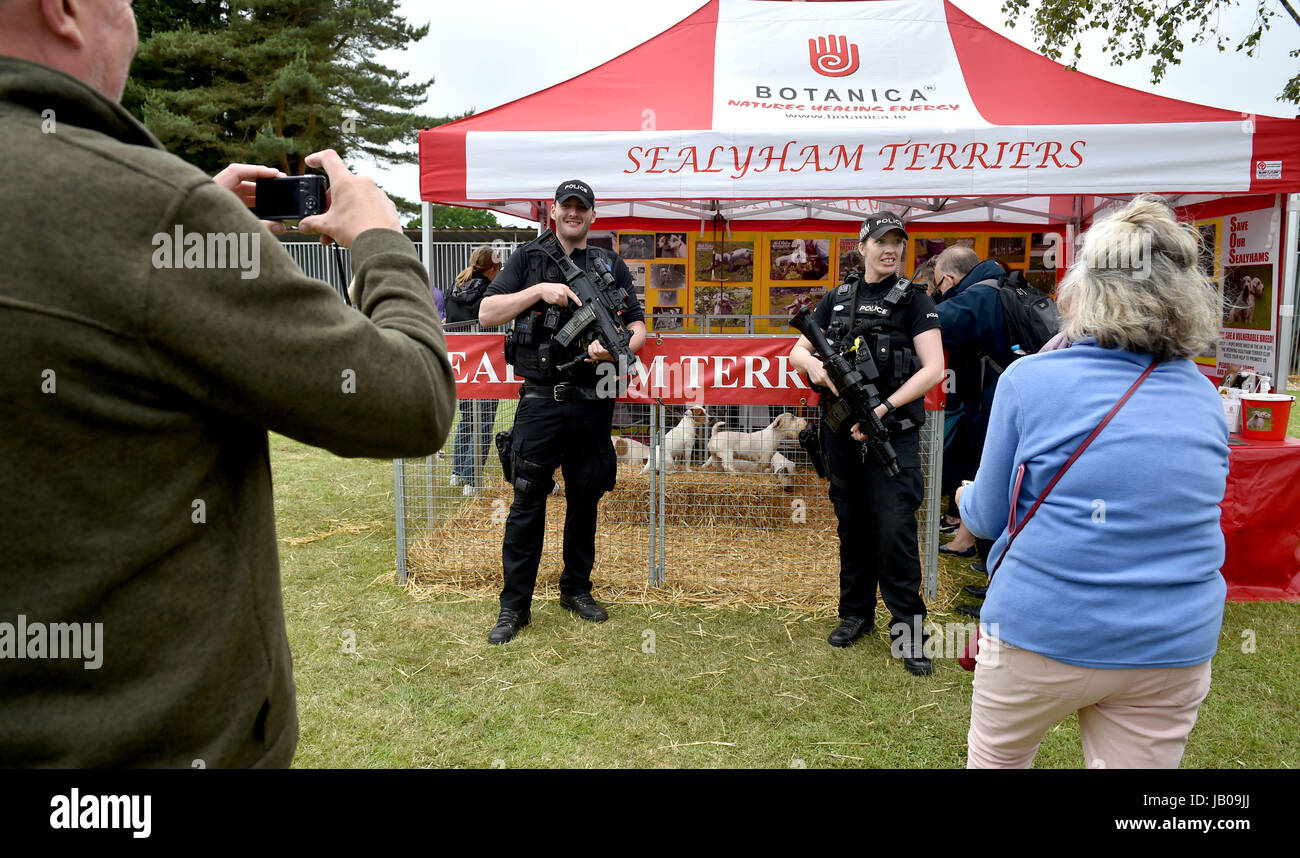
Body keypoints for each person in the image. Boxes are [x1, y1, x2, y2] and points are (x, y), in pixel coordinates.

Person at [0, 0, 456, 766]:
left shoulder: (141, 220)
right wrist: (379, 236)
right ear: (67, 9)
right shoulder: (149, 214)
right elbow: (411, 398)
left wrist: (185, 242)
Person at [957, 196, 1228, 768]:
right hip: (1173, 643)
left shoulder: (1030, 380)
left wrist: (961, 495)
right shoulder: (1204, 395)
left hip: (1040, 631)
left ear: (1087, 288)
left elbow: (982, 517)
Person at [478, 180, 646, 644]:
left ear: (593, 216)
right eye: (566, 206)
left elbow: (638, 328)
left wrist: (613, 352)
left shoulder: (609, 264)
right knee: (527, 500)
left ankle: (576, 589)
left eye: (582, 208)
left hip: (592, 403)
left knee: (585, 498)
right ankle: (514, 606)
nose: (574, 214)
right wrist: (541, 292)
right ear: (553, 211)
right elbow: (488, 312)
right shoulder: (529, 258)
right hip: (541, 400)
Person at [788, 214, 944, 675]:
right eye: (882, 241)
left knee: (895, 528)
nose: (890, 249)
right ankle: (855, 615)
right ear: (863, 246)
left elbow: (933, 367)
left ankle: (909, 633)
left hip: (890, 432)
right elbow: (798, 350)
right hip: (840, 432)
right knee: (852, 524)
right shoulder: (836, 298)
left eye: (898, 242)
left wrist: (883, 408)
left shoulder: (915, 302)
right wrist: (814, 369)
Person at [932, 247, 1017, 597]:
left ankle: (995, 573)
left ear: (948, 279)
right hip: (1008, 401)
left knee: (990, 479)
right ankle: (985, 559)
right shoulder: (1003, 287)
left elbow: (929, 324)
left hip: (994, 404)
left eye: (937, 284)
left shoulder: (976, 297)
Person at [446, 245, 503, 495]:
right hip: (486, 363)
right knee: (484, 420)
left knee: (467, 418)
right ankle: (472, 479)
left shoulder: (455, 286)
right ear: (492, 269)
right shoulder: (490, 291)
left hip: (461, 362)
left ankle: (458, 472)